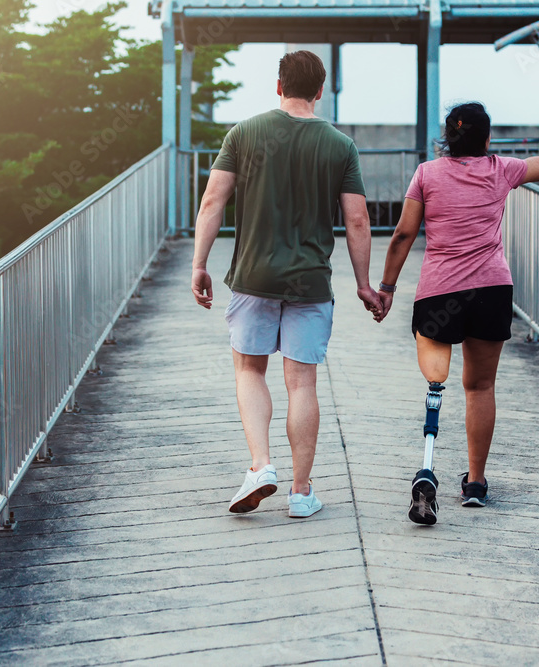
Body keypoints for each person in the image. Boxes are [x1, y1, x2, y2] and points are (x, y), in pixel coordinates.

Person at [191, 50, 382, 519]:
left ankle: (261, 466)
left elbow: (213, 201)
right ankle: (300, 492)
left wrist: (199, 263)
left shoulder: (244, 132)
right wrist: (364, 283)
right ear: (321, 90)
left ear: (279, 86)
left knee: (250, 371)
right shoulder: (340, 145)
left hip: (253, 277)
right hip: (310, 281)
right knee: (302, 383)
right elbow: (357, 221)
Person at [376, 102, 539, 525]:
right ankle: (475, 483)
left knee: (436, 380)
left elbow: (403, 234)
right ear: (486, 138)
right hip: (491, 289)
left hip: (440, 292)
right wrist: (502, 157)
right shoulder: (502, 169)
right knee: (480, 387)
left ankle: (427, 474)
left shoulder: (427, 173)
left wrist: (385, 288)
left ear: (448, 137)